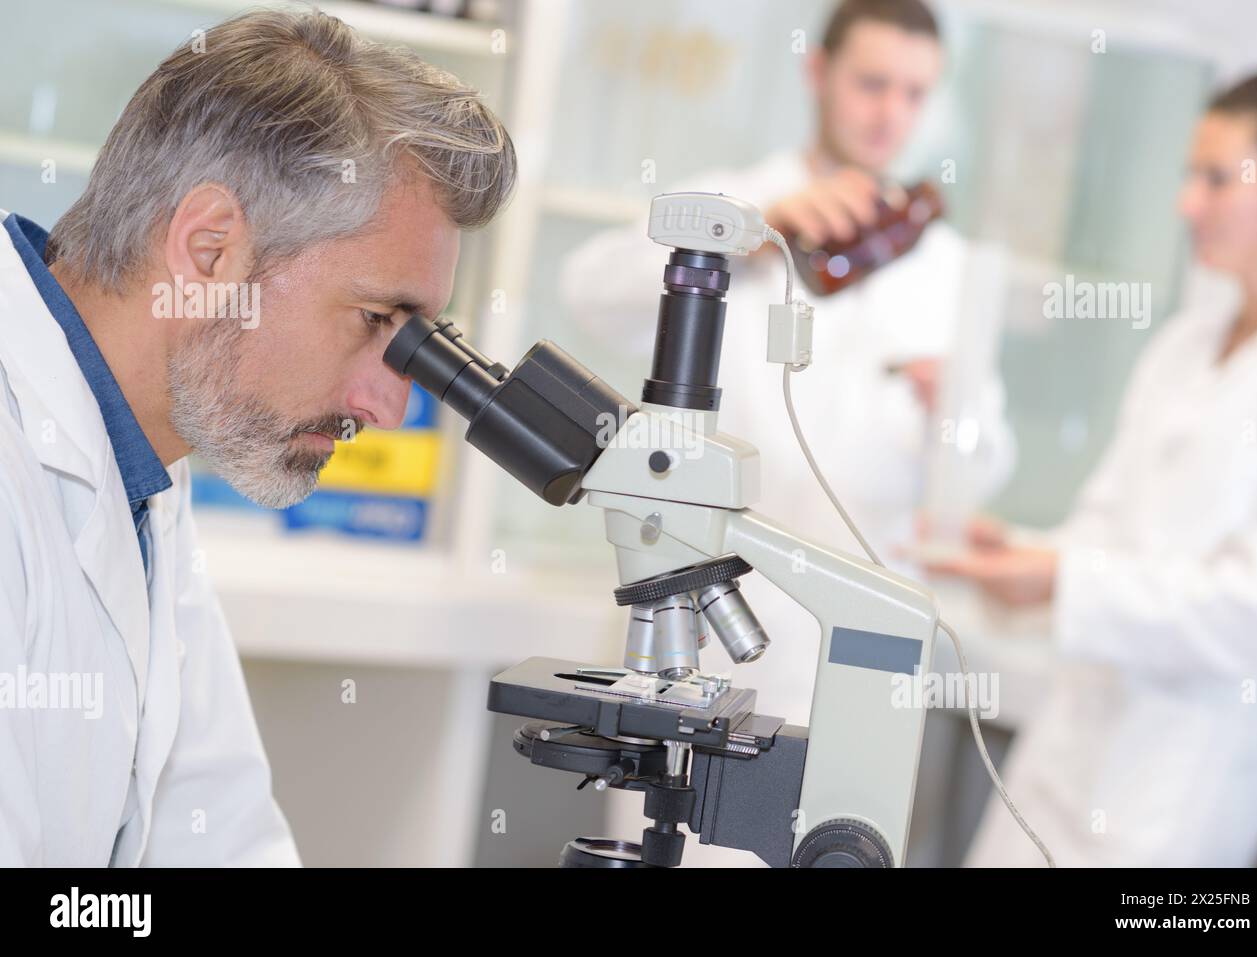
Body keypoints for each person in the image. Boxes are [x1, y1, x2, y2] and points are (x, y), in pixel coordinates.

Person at [0, 10, 515, 865]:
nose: (391, 405)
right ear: (208, 254)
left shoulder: (143, 469)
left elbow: (222, 829)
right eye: (377, 319)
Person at [560, 0, 1014, 727]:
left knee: (838, 833)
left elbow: (983, 467)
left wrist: (950, 412)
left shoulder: (946, 266)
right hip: (717, 598)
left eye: (914, 92)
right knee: (686, 824)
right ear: (818, 71)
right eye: (872, 83)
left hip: (871, 623)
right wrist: (758, 227)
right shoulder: (736, 204)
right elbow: (589, 291)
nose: (890, 112)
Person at [932, 66, 1257, 866]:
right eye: (1186, 176)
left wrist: (1066, 581)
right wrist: (1024, 553)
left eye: (1216, 179)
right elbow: (1103, 526)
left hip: (1180, 779)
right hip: (1070, 741)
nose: (1185, 205)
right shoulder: (1182, 346)